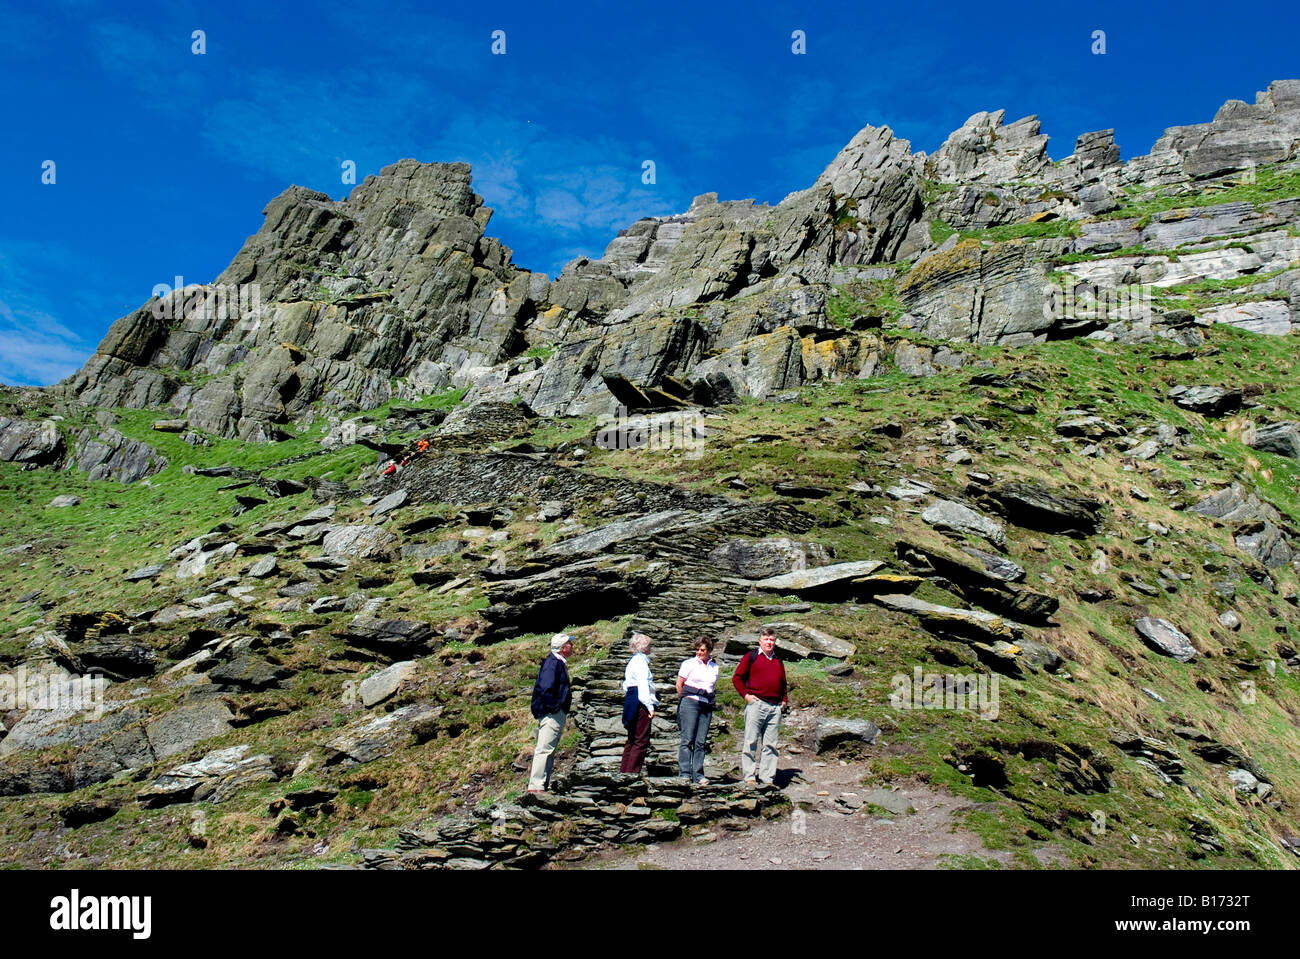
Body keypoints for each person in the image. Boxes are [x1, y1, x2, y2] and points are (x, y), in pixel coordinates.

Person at [732, 625, 787, 786]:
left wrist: (784, 701)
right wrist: (746, 696)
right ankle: (749, 776)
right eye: (766, 639)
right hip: (756, 704)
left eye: (771, 640)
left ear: (775, 642)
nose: (769, 642)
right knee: (751, 741)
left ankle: (767, 778)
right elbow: (737, 678)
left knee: (771, 744)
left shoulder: (778, 661)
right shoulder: (751, 656)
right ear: (760, 640)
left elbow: (783, 684)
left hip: (774, 707)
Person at [528, 633, 574, 792]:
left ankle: (541, 784)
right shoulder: (552, 663)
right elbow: (546, 687)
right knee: (545, 748)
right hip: (551, 712)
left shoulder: (556, 662)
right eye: (569, 643)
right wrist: (555, 707)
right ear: (562, 648)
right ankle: (536, 786)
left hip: (553, 711)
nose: (572, 646)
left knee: (548, 748)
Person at [676, 636, 719, 784]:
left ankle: (698, 774)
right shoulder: (688, 664)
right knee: (688, 739)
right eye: (698, 649)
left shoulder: (714, 667)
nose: (699, 652)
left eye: (702, 650)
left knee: (701, 741)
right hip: (690, 702)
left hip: (706, 705)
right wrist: (685, 699)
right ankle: (684, 773)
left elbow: (712, 687)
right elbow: (679, 684)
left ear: (709, 651)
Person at [619, 633, 658, 774]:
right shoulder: (641, 662)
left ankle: (624, 771)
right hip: (640, 701)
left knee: (632, 738)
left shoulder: (632, 661)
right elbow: (643, 685)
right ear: (645, 647)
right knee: (641, 739)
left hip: (631, 698)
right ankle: (632, 772)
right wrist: (649, 706)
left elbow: (625, 684)